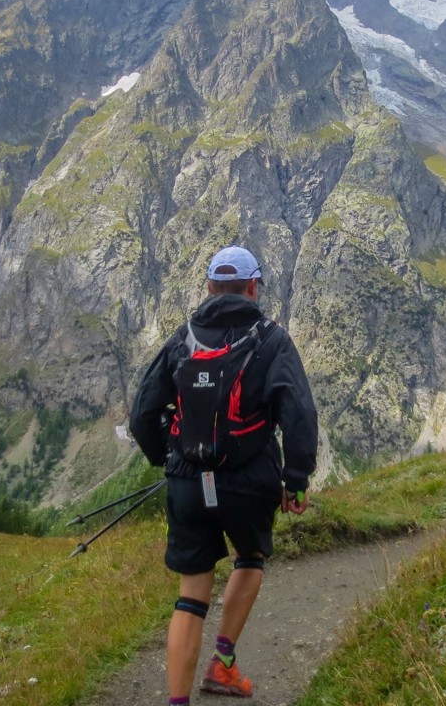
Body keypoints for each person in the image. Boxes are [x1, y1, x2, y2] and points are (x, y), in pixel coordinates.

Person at [129, 245, 318, 705]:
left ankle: (178, 702)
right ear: (254, 287)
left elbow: (141, 415)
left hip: (187, 482)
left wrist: (169, 459)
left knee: (190, 596)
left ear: (210, 287)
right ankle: (223, 664)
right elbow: (298, 413)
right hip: (249, 482)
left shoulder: (183, 338)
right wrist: (296, 480)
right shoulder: (272, 338)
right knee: (250, 557)